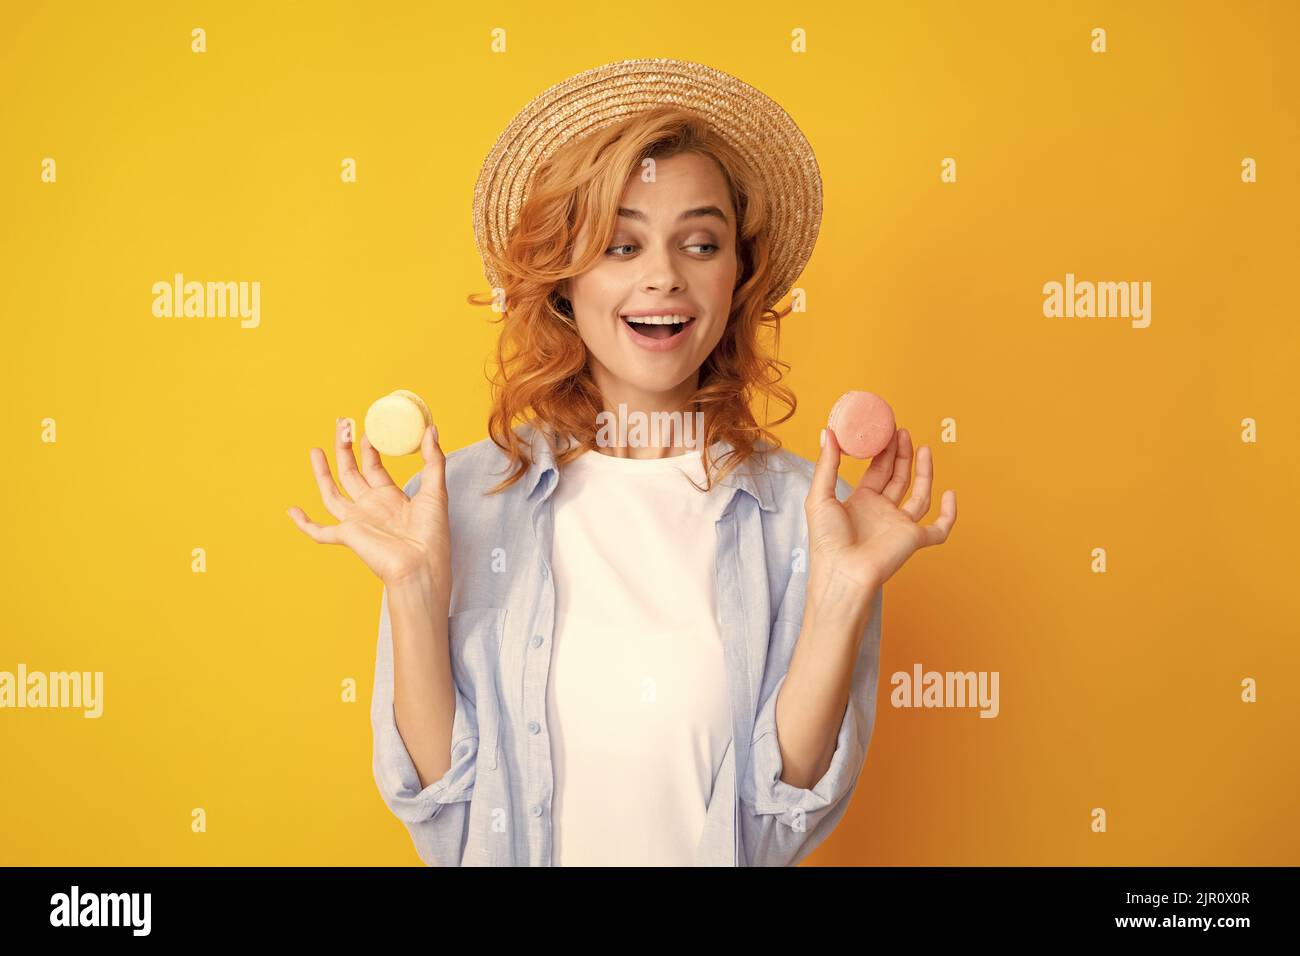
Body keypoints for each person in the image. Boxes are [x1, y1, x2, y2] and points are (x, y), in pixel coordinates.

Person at [288, 58, 956, 866]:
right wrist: (414, 589)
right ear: (564, 281)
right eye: (619, 244)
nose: (663, 277)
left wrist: (843, 592)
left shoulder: (809, 517)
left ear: (736, 276)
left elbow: (780, 819)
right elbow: (445, 814)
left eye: (700, 242)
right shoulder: (459, 499)